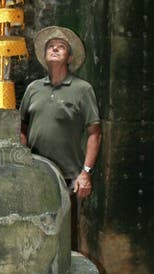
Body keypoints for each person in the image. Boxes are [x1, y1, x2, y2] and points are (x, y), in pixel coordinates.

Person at [20, 26, 102, 247]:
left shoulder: (82, 89)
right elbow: (22, 128)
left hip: (68, 178)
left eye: (61, 46)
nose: (54, 48)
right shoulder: (33, 89)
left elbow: (95, 134)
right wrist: (24, 161)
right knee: (34, 236)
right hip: (36, 175)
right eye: (50, 46)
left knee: (65, 240)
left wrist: (85, 173)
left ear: (70, 57)